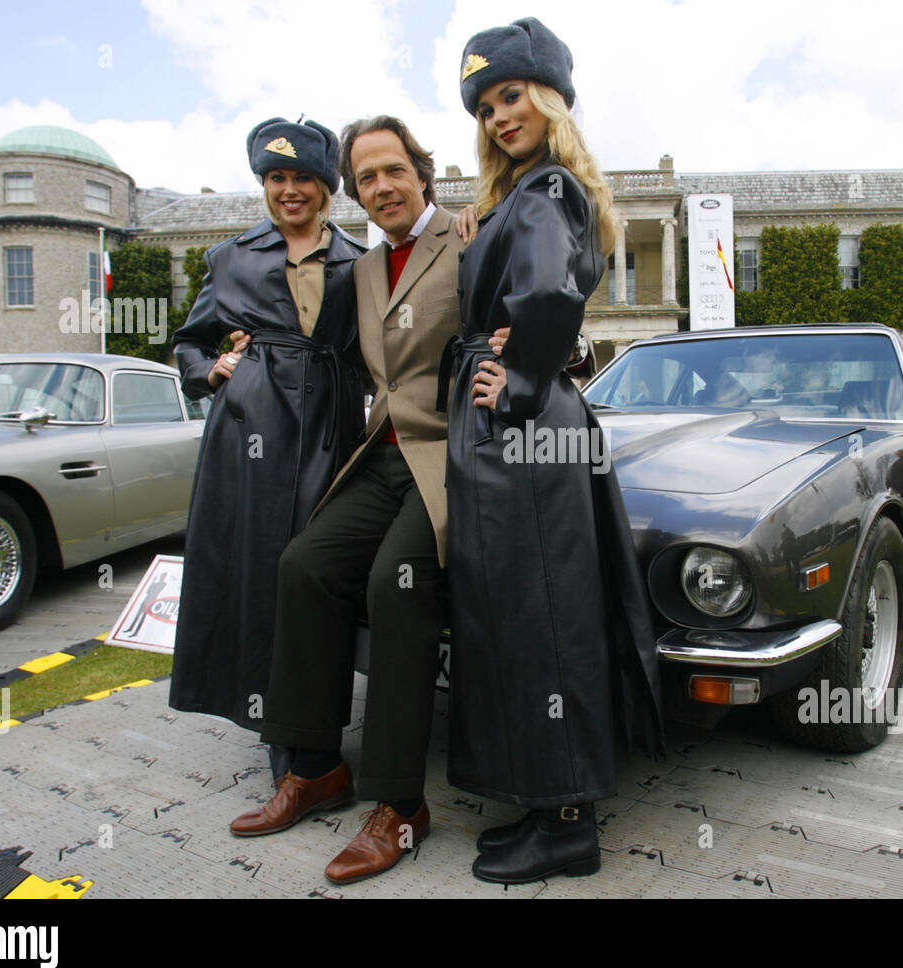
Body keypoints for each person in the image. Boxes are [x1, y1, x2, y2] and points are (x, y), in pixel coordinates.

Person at [445, 16, 664, 885]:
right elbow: (525, 283)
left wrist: (522, 380)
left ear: (549, 99)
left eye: (512, 96)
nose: (500, 116)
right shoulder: (522, 197)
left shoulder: (545, 193)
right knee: (515, 613)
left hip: (520, 432)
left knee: (539, 617)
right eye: (487, 105)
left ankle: (569, 823)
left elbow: (545, 291)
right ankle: (543, 803)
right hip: (512, 429)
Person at [240, 115, 467, 887]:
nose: (380, 187)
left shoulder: (471, 240)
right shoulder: (365, 272)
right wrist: (226, 355)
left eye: (392, 170)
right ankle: (314, 766)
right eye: (366, 177)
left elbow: (547, 315)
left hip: (450, 460)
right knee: (304, 564)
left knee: (393, 582)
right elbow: (301, 332)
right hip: (383, 454)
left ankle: (401, 805)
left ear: (422, 173)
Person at [170, 119, 366, 769]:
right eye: (276, 178)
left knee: (313, 580)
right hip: (249, 441)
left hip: (329, 437)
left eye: (302, 178)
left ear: (326, 187)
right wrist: (210, 371)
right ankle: (277, 733)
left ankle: (311, 739)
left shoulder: (357, 264)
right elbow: (192, 342)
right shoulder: (229, 258)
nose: (289, 190)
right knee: (255, 580)